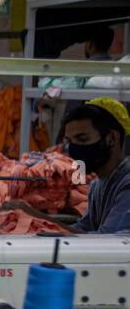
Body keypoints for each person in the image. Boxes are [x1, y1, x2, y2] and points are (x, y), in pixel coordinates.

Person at [7, 98, 130, 234]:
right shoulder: (97, 185)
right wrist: (31, 214)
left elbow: (106, 243)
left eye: (82, 139)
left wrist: (33, 214)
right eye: (70, 141)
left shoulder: (126, 186)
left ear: (112, 138)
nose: (75, 148)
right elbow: (82, 229)